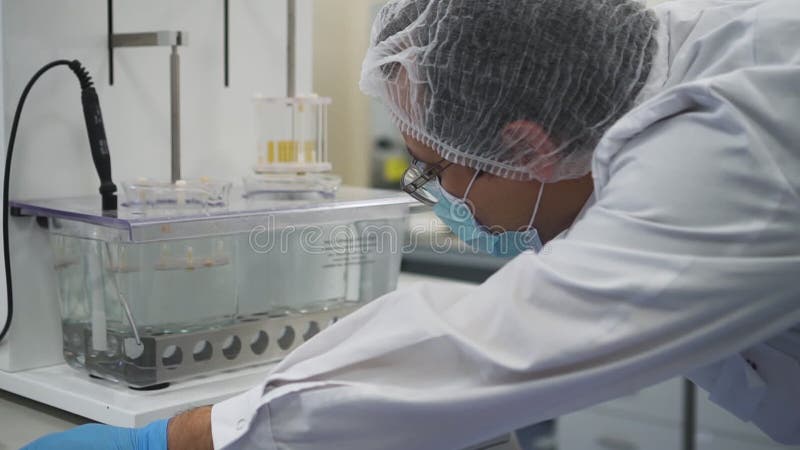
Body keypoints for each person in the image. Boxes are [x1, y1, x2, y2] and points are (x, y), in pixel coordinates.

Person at [24, 0, 800, 448]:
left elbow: (486, 353)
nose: (429, 192)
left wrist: (172, 440)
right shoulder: (681, 67)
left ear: (529, 148)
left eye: (433, 168)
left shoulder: (727, 145)